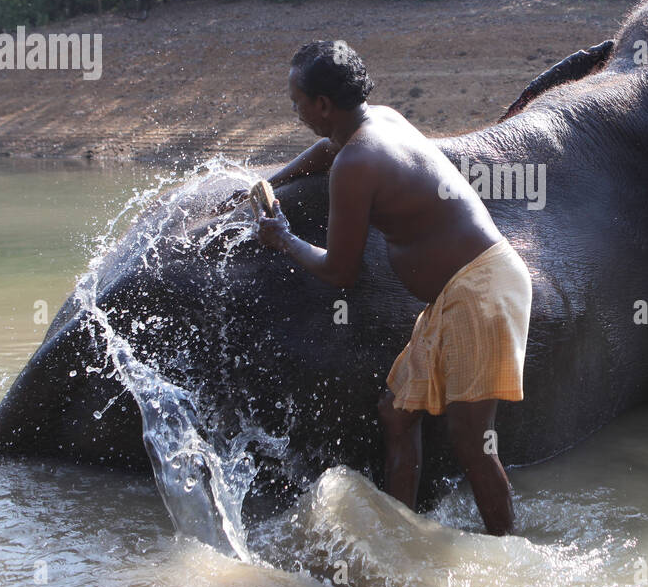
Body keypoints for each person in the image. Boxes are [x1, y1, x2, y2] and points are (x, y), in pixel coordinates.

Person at [227, 40, 531, 535]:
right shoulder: (378, 121)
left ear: (322, 105)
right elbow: (328, 149)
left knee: (471, 438)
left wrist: (283, 239)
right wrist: (273, 181)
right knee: (396, 413)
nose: (295, 110)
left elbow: (340, 272)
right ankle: (401, 533)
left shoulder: (356, 165)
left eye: (296, 101)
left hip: (481, 289)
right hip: (458, 294)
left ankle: (511, 550)